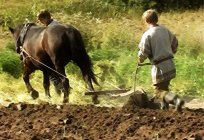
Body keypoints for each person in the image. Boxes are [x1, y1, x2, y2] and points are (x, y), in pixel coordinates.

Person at [138, 9, 184, 111]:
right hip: (170, 64)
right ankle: (165, 110)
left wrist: (140, 60)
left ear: (146, 20)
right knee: (164, 89)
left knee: (158, 93)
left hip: (160, 67)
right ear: (156, 18)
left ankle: (176, 101)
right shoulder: (165, 30)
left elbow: (144, 52)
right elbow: (175, 43)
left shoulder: (147, 35)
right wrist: (169, 52)